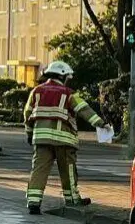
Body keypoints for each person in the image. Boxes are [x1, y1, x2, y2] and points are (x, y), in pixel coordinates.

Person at [23, 61, 110, 215]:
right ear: (62, 76)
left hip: (41, 139)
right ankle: (72, 200)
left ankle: (33, 202)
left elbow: (27, 114)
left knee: (39, 169)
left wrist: (30, 133)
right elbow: (84, 110)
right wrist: (101, 124)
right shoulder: (68, 93)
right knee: (68, 170)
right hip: (64, 140)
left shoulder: (36, 91)